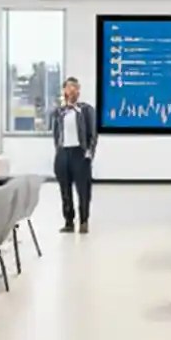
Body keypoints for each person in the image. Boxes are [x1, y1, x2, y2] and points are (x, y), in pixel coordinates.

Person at [51, 77, 97, 234]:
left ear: (79, 91)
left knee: (83, 189)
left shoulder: (86, 110)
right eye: (69, 88)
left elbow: (92, 134)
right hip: (63, 153)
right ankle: (68, 221)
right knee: (65, 190)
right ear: (64, 91)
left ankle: (84, 221)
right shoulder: (59, 112)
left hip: (80, 153)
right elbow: (56, 134)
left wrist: (89, 153)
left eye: (75, 88)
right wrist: (58, 150)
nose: (72, 91)